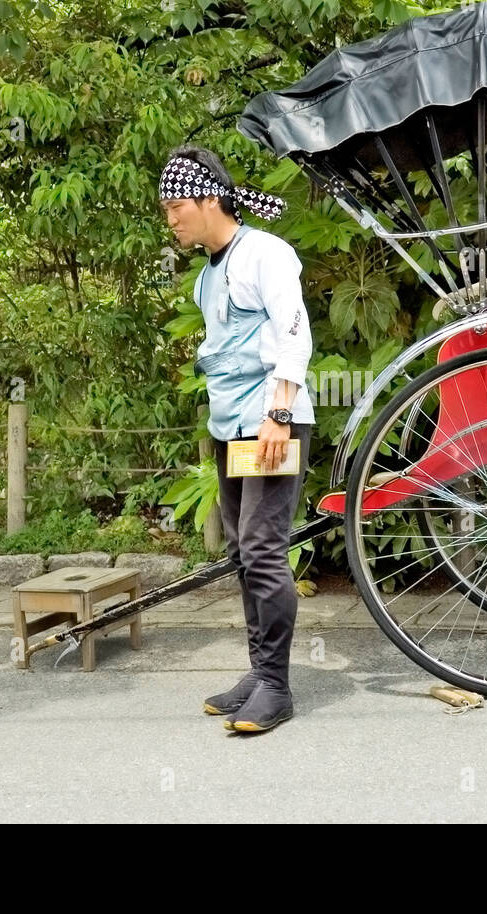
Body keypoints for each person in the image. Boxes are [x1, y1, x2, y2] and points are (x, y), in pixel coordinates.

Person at [158, 145, 314, 733]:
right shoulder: (209, 275)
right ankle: (259, 671)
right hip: (231, 427)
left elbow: (294, 333)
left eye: (176, 205)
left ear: (207, 200)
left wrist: (278, 411)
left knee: (264, 548)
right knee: (242, 552)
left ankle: (276, 685)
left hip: (273, 420)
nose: (170, 218)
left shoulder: (266, 255)